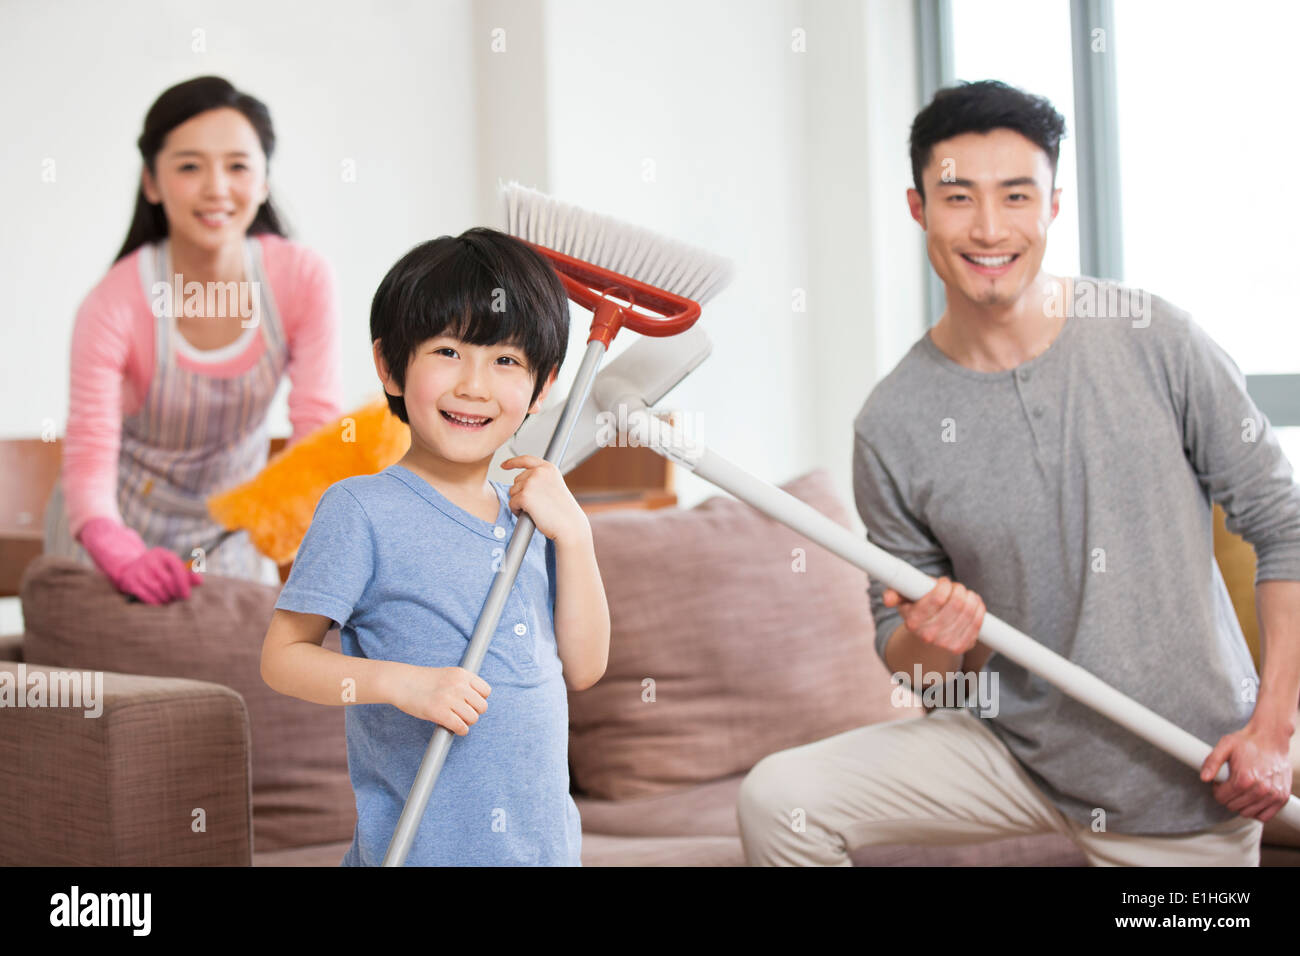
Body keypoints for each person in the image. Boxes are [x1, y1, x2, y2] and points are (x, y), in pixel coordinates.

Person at [737, 80, 1300, 866]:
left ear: (1054, 206)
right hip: (1010, 747)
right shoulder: (893, 422)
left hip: (1180, 774)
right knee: (782, 800)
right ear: (918, 208)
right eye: (959, 197)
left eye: (1016, 196)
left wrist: (1273, 729)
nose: (990, 228)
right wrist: (937, 643)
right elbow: (911, 660)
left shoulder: (1156, 340)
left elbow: (1285, 529)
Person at [260, 228, 610, 866]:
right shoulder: (363, 509)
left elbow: (584, 668)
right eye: (448, 351)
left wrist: (577, 536)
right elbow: (282, 659)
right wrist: (401, 684)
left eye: (506, 360)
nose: (474, 385)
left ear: (544, 385)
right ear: (391, 367)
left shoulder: (535, 516)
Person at [43, 75, 344, 602]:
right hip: (110, 539)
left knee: (230, 682)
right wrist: (117, 550)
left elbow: (316, 431)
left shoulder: (301, 279)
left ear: (265, 179)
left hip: (230, 541)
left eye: (237, 166)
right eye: (189, 166)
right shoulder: (112, 303)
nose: (216, 188)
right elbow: (88, 457)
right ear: (152, 183)